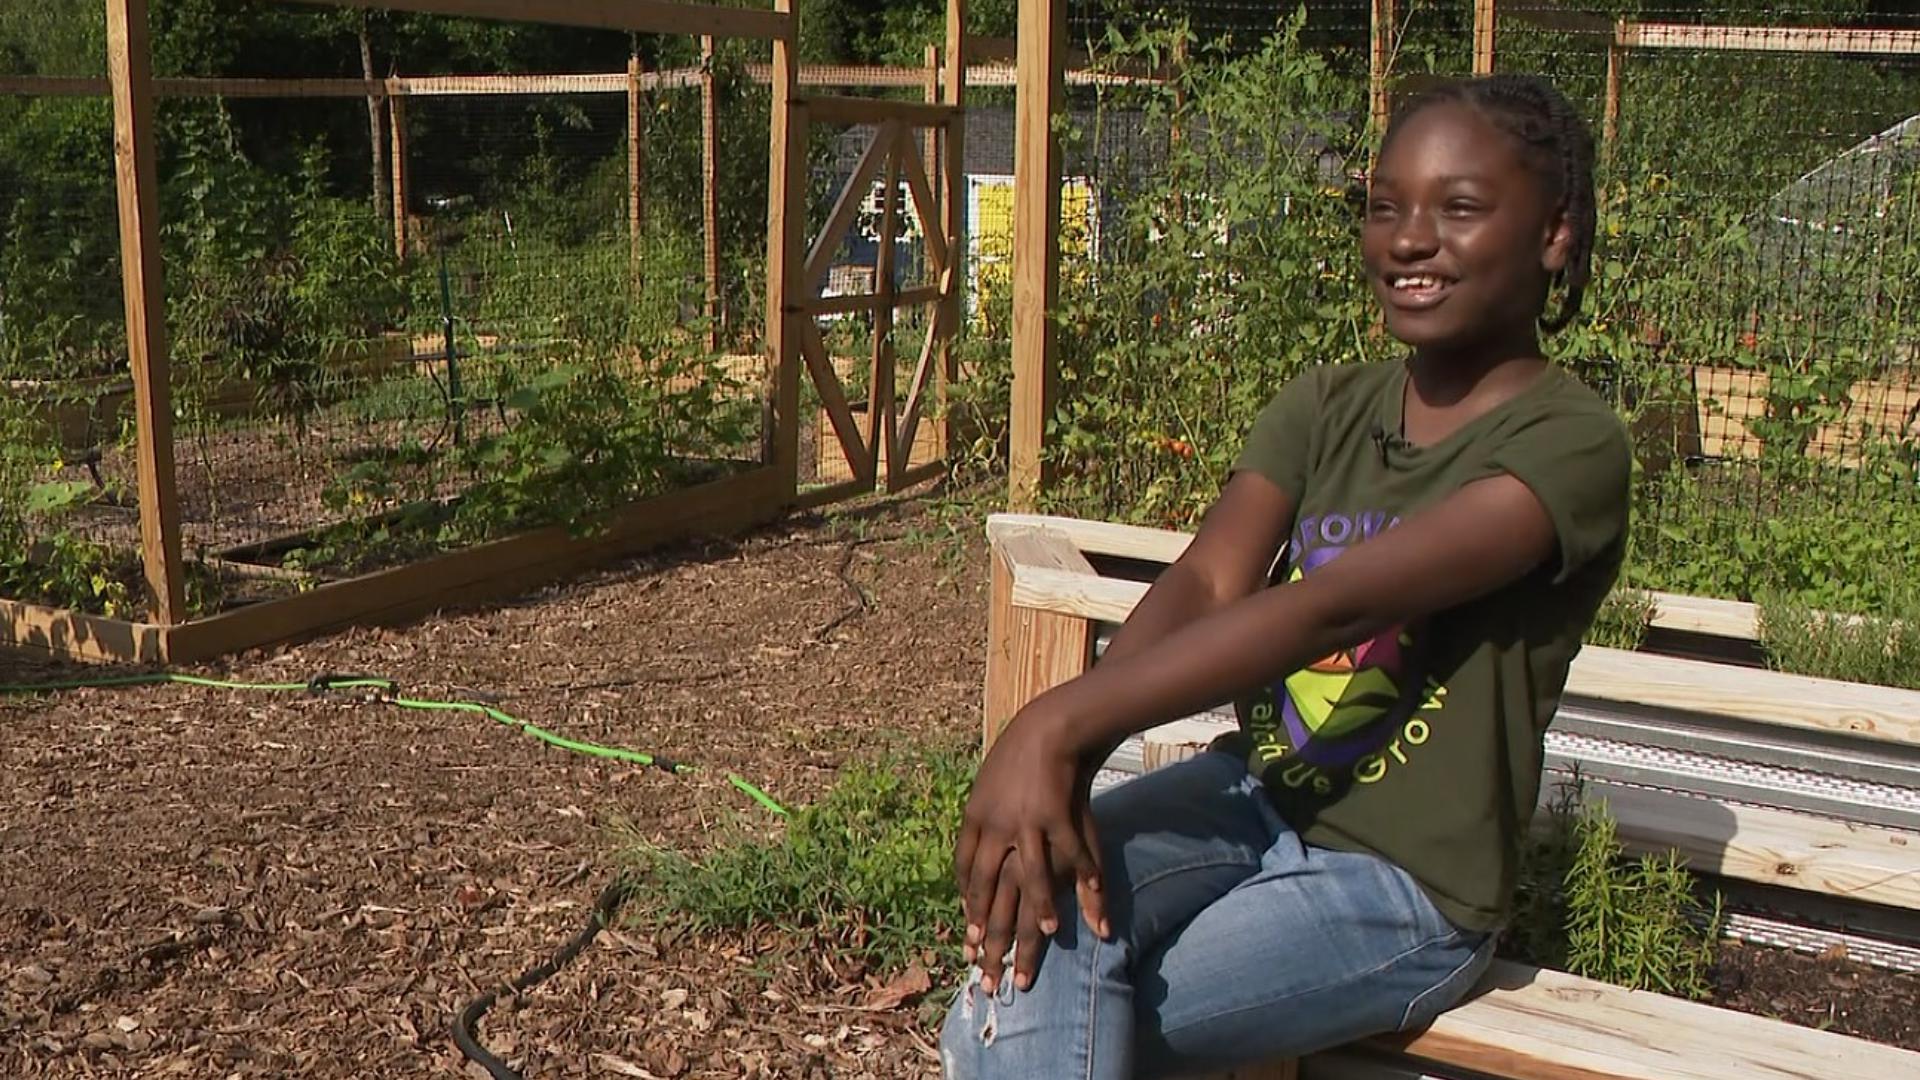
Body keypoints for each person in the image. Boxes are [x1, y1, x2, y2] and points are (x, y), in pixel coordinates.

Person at [941, 74, 1632, 1079]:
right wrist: (1074, 761)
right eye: (1385, 206)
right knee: (1043, 918)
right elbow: (1210, 582)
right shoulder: (1328, 405)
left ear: (1556, 232)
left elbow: (1340, 604)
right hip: (1250, 800)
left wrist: (1059, 723)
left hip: (1405, 891)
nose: (1407, 238)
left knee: (1020, 1008)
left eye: (1460, 208)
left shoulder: (1569, 443)